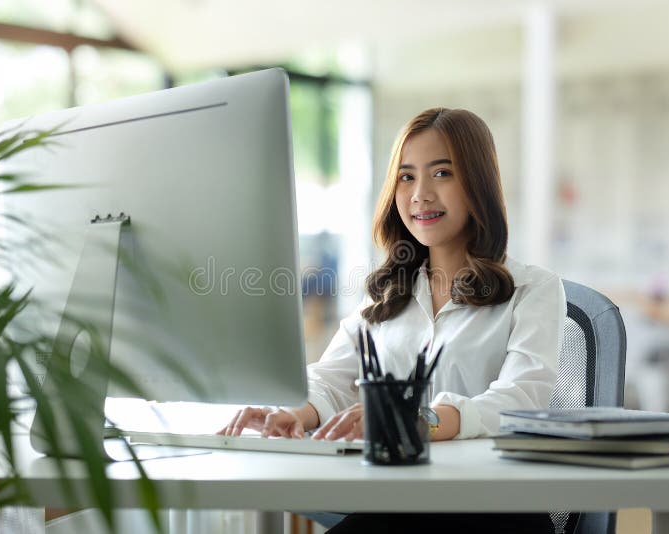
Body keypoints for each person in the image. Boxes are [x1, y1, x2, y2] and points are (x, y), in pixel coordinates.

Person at [219, 107, 564, 533]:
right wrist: (296, 412)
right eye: (406, 177)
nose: (420, 194)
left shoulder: (534, 290)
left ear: (478, 183)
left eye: (442, 173)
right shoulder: (387, 293)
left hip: (492, 509)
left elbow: (520, 400)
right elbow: (335, 378)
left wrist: (414, 420)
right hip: (402, 501)